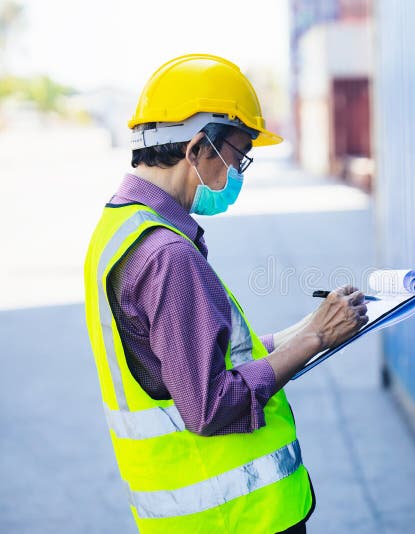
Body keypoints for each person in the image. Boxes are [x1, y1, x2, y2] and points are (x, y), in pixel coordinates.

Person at [83, 54, 368, 533]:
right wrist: (314, 339)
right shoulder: (167, 256)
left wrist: (312, 327)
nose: (239, 172)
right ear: (198, 148)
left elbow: (194, 363)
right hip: (236, 518)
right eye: (239, 156)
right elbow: (209, 404)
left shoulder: (120, 227)